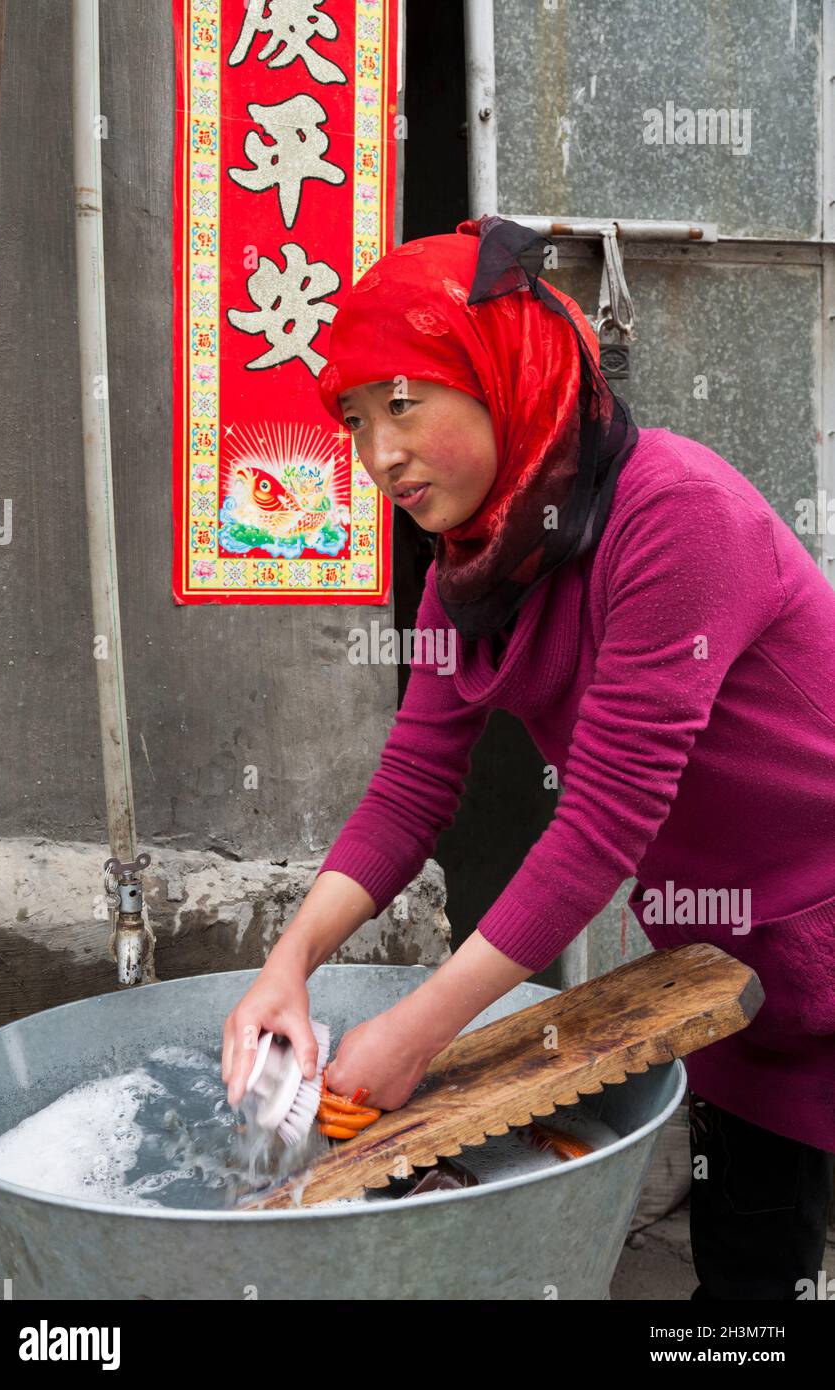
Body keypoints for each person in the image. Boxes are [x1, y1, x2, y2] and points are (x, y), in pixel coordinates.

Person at [222, 215, 835, 1299]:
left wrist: (416, 1033)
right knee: (746, 1268)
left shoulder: (674, 519)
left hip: (819, 913)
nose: (377, 457)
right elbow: (411, 787)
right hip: (729, 970)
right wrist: (289, 965)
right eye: (355, 423)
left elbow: (598, 828)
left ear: (501, 374)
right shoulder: (471, 573)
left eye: (401, 405)